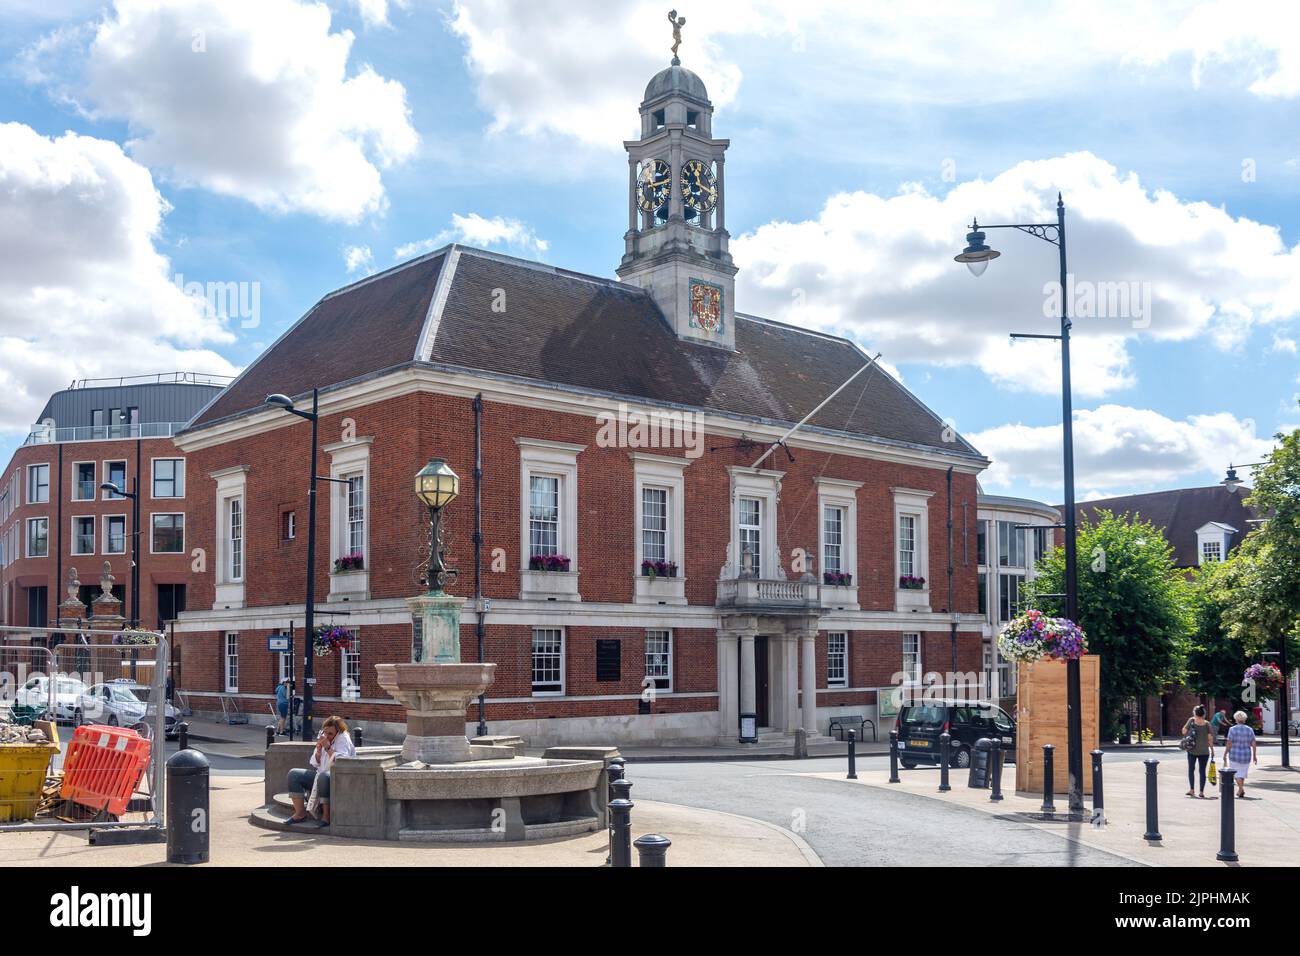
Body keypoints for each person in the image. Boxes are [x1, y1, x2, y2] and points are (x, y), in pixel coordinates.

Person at [286, 716, 356, 827]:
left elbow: (343, 761)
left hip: (339, 778)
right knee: (293, 774)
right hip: (321, 774)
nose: (327, 736)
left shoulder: (343, 739)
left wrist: (328, 748)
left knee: (323, 777)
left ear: (338, 732)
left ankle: (326, 816)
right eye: (325, 732)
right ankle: (300, 813)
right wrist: (318, 751)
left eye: (330, 734)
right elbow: (315, 763)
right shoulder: (323, 737)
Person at [1181, 704, 1214, 798]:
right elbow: (1210, 738)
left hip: (1192, 750)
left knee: (1191, 770)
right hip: (1204, 752)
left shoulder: (1191, 720)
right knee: (1202, 771)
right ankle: (1201, 792)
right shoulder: (1207, 724)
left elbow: (1183, 731)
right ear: (1204, 713)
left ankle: (1192, 790)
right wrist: (1212, 749)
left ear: (1195, 713)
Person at [1225, 710, 1258, 798]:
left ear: (1236, 719)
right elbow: (1253, 743)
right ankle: (1240, 790)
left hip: (1234, 754)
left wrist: (1225, 753)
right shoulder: (1249, 729)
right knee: (1242, 773)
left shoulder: (1232, 729)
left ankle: (1241, 789)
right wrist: (1254, 755)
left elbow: (1229, 743)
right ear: (1244, 719)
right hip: (1246, 755)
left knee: (1236, 774)